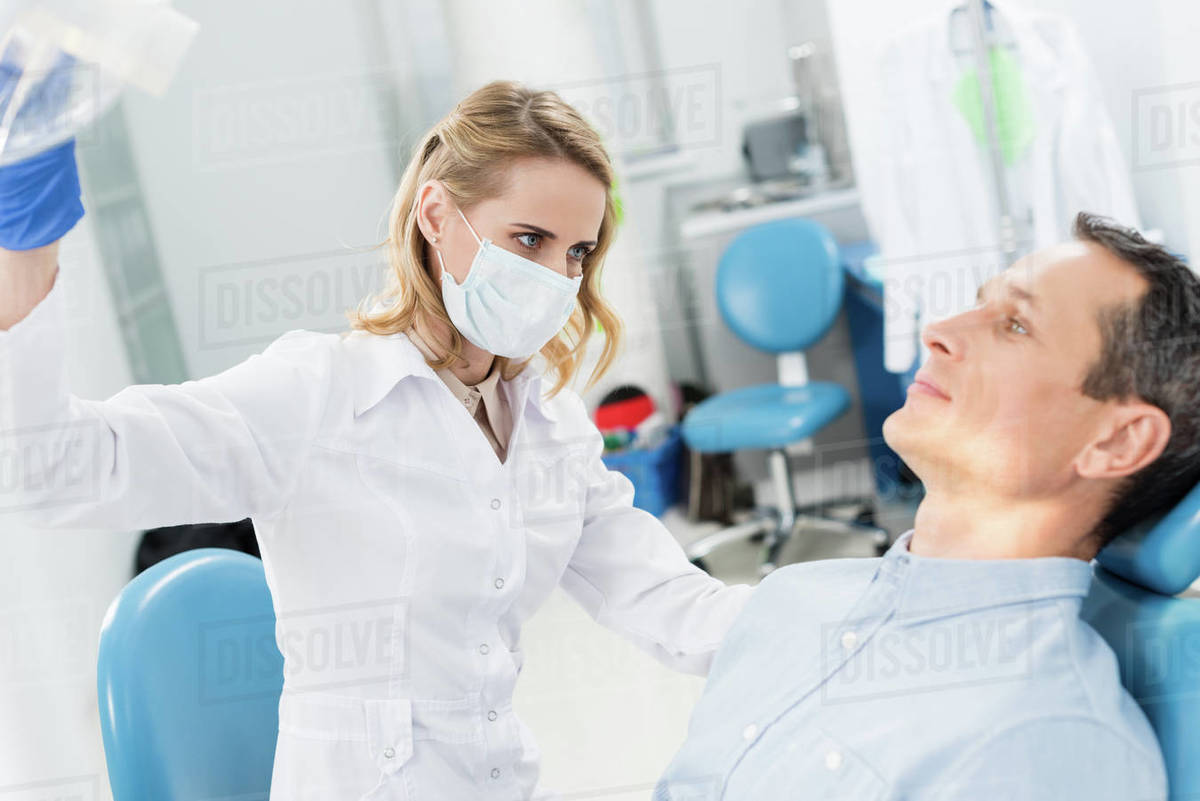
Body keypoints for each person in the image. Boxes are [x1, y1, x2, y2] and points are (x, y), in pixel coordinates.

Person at [0, 81, 755, 799]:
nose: (558, 277)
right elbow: (52, 468)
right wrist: (26, 250)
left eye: (577, 252)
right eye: (528, 239)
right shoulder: (318, 393)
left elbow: (665, 598)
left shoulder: (550, 423)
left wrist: (837, 616)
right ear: (436, 214)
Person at [653, 213, 1200, 800]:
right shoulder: (795, 598)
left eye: (1016, 324)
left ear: (1116, 441)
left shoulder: (1043, 739)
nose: (938, 329)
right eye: (979, 304)